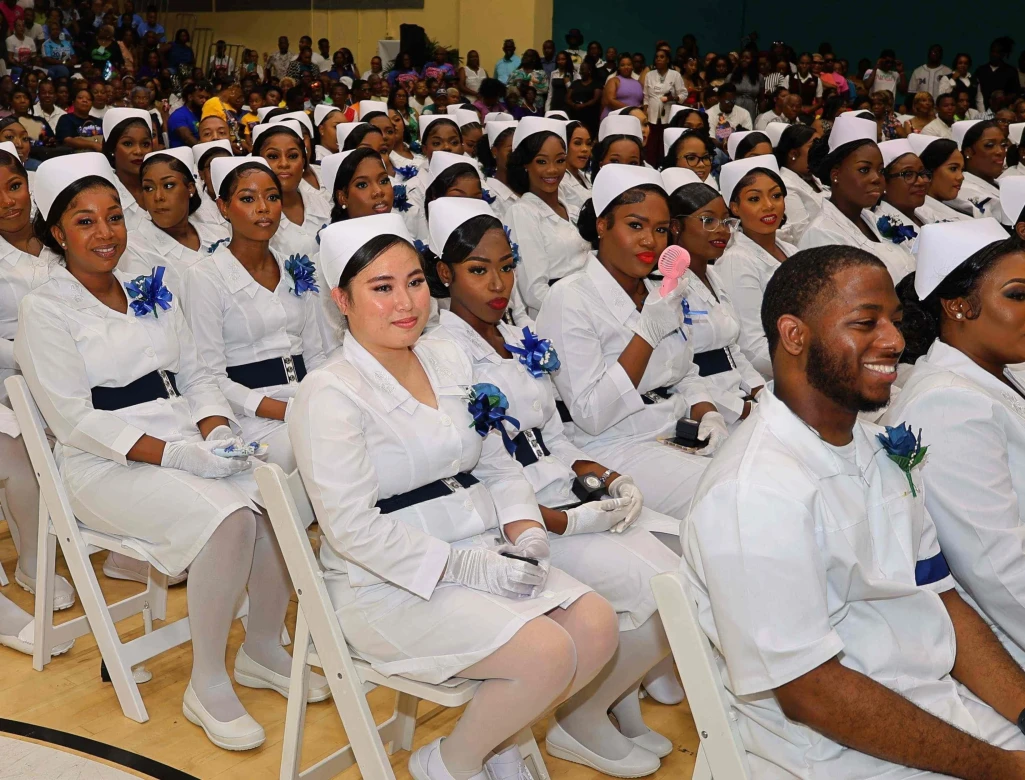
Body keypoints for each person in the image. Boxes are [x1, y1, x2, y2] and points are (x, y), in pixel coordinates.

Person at [291, 211, 619, 780]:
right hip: (385, 583)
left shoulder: (445, 356)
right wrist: (463, 566)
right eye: (382, 287)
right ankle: (452, 763)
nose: (406, 303)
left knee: (596, 625)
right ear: (341, 300)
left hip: (481, 547)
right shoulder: (329, 393)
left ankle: (491, 741)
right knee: (546, 652)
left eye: (415, 282)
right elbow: (350, 529)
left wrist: (526, 529)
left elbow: (495, 461)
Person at [683, 240, 1025, 779]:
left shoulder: (870, 444)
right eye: (866, 323)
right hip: (839, 754)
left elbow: (944, 600)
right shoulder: (755, 492)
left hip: (935, 708)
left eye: (893, 319)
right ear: (794, 335)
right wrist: (1003, 767)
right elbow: (812, 693)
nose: (895, 340)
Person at [17, 152, 312, 752]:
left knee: (283, 488)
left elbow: (198, 373)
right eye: (84, 221)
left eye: (113, 218)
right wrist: (177, 457)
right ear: (56, 232)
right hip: (103, 463)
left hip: (181, 433)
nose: (105, 234)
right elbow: (74, 421)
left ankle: (260, 646)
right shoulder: (45, 309)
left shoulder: (148, 289)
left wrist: (214, 433)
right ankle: (207, 681)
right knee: (229, 517)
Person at [427, 197, 680, 774]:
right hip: (518, 517)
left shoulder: (517, 336)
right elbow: (480, 468)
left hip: (563, 489)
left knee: (687, 556)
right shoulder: (442, 354)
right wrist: (563, 516)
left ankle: (610, 698)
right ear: (445, 273)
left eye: (506, 265)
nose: (497, 283)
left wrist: (605, 477)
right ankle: (582, 717)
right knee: (669, 590)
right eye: (477, 269)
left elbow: (556, 436)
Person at [536, 164, 725, 530]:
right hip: (617, 444)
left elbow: (684, 372)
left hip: (675, 429)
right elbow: (590, 415)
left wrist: (709, 413)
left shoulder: (659, 291)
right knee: (728, 496)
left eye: (659, 230)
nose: (650, 242)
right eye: (635, 226)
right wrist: (647, 334)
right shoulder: (570, 298)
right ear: (602, 225)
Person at [884, 220, 1024, 658]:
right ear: (958, 306)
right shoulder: (946, 405)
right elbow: (998, 571)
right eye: (1018, 296)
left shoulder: (995, 372)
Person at [0, 141, 79, 628]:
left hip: (78, 369)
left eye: (14, 186)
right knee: (22, 446)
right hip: (9, 380)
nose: (8, 201)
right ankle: (32, 556)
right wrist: (42, 355)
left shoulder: (61, 239)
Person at [665, 173, 765, 420]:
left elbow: (733, 352)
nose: (722, 230)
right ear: (676, 227)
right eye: (708, 220)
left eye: (725, 221)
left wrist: (761, 392)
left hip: (741, 402)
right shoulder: (665, 286)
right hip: (703, 411)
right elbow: (678, 374)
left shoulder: (714, 275)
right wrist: (742, 409)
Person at [800, 114, 916, 284]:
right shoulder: (821, 234)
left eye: (881, 170)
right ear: (836, 174)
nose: (876, 178)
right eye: (864, 170)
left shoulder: (872, 219)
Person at [713, 156, 796, 378]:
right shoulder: (736, 261)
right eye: (754, 199)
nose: (769, 205)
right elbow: (752, 349)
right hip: (780, 379)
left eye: (776, 195)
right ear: (735, 208)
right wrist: (815, 365)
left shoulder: (791, 251)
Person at [504, 117, 591, 316]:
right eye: (541, 161)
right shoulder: (522, 213)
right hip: (558, 316)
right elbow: (534, 292)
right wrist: (583, 313)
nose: (552, 170)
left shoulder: (570, 206)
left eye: (560, 160)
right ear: (525, 164)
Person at [122, 147, 229, 289]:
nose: (158, 197)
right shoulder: (132, 248)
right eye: (148, 188)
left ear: (190, 188)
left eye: (168, 185)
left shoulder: (220, 234)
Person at [252, 121, 330, 260]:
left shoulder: (322, 203)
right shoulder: (250, 214)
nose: (284, 164)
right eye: (273, 156)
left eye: (293, 156)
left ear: (304, 162)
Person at [772, 123, 826, 243]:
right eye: (814, 145)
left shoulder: (814, 177)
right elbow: (801, 235)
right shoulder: (785, 185)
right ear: (793, 154)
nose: (820, 151)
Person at [101, 107, 153, 231]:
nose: (138, 151)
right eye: (128, 144)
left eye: (145, 144)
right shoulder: (103, 191)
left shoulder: (164, 183)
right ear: (112, 149)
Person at [910, 134, 977, 222]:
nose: (961, 177)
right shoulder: (922, 215)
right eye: (953, 169)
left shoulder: (957, 207)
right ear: (927, 172)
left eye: (962, 170)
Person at [954, 119, 1007, 221]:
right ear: (968, 152)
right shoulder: (961, 190)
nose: (1000, 151)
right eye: (990, 145)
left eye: (1003, 145)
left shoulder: (1002, 184)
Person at [642, 48, 685, 164]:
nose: (659, 59)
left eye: (662, 57)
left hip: (668, 114)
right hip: (652, 115)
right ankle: (650, 166)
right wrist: (644, 114)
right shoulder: (649, 75)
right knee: (651, 144)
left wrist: (672, 98)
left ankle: (664, 165)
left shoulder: (675, 75)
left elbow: (683, 94)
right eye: (657, 57)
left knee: (664, 144)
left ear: (667, 60)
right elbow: (646, 97)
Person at [477, 118, 517, 219]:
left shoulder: (531, 188)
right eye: (511, 150)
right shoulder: (488, 194)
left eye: (521, 150)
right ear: (495, 151)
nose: (518, 155)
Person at [975, 37, 1019, 112]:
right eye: (992, 51)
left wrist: (1003, 99)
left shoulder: (1010, 71)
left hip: (1004, 110)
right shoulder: (981, 70)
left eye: (998, 52)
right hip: (984, 110)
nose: (994, 54)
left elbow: (1015, 93)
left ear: (1003, 54)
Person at [558, 119, 591, 212]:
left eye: (588, 144)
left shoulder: (589, 177)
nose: (585, 149)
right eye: (577, 143)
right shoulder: (558, 181)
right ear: (564, 145)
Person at [705, 83, 753, 147]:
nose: (730, 104)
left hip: (739, 148)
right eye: (727, 101)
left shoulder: (744, 113)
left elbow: (747, 136)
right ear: (719, 99)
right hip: (718, 149)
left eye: (733, 101)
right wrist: (725, 147)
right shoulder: (709, 114)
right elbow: (711, 138)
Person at [601, 54, 642, 120]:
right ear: (619, 67)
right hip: (614, 118)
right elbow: (610, 101)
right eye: (622, 65)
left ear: (632, 67)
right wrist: (631, 110)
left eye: (629, 65)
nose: (626, 67)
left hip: (633, 119)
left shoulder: (638, 83)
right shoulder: (614, 80)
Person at [567, 61, 602, 138]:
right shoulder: (575, 83)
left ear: (589, 70)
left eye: (583, 69)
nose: (581, 72)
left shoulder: (596, 84)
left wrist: (583, 105)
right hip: (575, 114)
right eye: (580, 69)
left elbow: (595, 99)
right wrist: (574, 104)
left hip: (590, 116)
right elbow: (568, 97)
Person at [166, 82, 206, 148]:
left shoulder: (200, 113)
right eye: (201, 97)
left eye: (206, 98)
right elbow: (188, 139)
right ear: (190, 97)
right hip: (182, 155)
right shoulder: (178, 115)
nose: (204, 100)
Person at [729, 47, 762, 119]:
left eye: (747, 58)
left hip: (751, 109)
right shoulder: (731, 76)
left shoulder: (759, 77)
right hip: (734, 108)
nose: (744, 60)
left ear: (753, 60)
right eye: (742, 57)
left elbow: (761, 99)